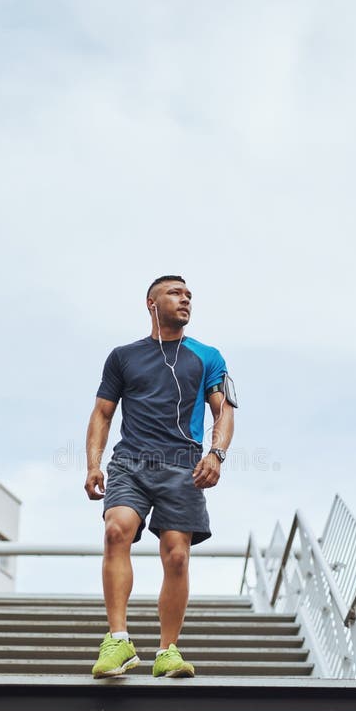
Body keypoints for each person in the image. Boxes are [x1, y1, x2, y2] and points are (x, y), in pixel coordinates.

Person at [84, 275, 236, 679]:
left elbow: (224, 411)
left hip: (183, 466)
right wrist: (94, 464)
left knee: (177, 555)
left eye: (189, 295)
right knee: (117, 530)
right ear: (152, 303)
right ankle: (118, 639)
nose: (185, 299)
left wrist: (217, 454)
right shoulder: (123, 356)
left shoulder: (208, 356)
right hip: (130, 462)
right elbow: (102, 413)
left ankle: (167, 651)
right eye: (175, 293)